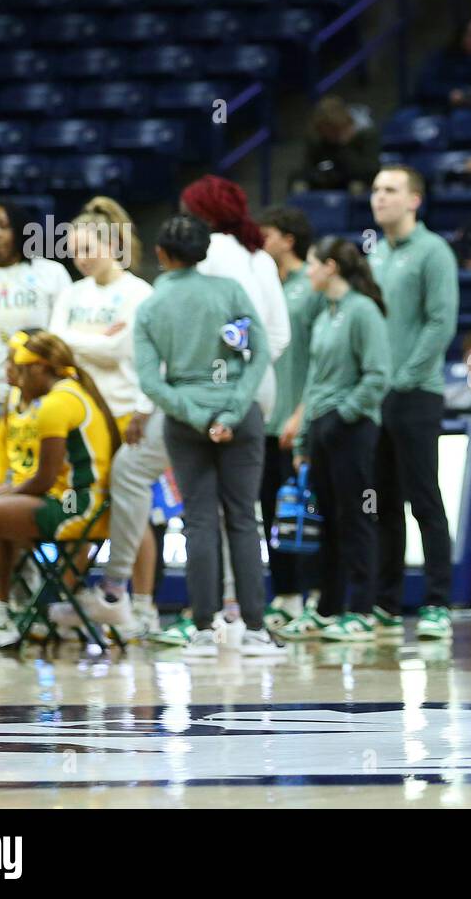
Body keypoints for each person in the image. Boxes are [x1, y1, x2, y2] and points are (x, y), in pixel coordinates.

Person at [134, 214, 279, 659]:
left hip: (185, 422)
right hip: (240, 416)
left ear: (160, 254)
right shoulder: (230, 292)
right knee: (242, 518)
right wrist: (230, 413)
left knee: (197, 520)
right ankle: (255, 628)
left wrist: (196, 417)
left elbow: (150, 382)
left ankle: (202, 629)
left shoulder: (151, 305)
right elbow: (259, 357)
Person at [0, 330, 118, 651]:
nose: (13, 376)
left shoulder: (58, 403)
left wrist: (4, 494)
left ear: (41, 369)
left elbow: (44, 478)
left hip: (76, 508)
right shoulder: (61, 394)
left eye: (20, 369)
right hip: (63, 500)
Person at [183, 175, 291, 625]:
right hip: (257, 395)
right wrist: (251, 374)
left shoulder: (203, 258)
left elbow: (194, 333)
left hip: (209, 397)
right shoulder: (261, 258)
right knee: (244, 513)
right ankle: (248, 617)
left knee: (203, 513)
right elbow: (278, 336)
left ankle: (208, 616)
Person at [47, 198, 157, 638]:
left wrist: (75, 341)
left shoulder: (139, 294)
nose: (80, 258)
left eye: (87, 248)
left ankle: (143, 606)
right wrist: (93, 339)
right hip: (81, 418)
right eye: (73, 250)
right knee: (83, 506)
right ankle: (72, 601)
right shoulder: (71, 293)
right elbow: (52, 346)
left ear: (112, 244)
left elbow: (120, 351)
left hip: (127, 416)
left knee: (132, 509)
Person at [367, 165, 459, 640]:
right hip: (376, 396)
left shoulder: (433, 252)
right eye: (376, 190)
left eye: (390, 190)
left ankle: (438, 602)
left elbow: (441, 323)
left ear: (414, 200)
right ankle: (385, 600)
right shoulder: (376, 255)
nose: (379, 198)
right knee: (380, 502)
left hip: (416, 394)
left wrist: (402, 378)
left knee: (424, 498)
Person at [287, 237, 390, 642]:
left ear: (330, 266)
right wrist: (304, 438)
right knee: (326, 520)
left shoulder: (363, 311)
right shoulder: (326, 312)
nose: (307, 272)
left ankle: (361, 608)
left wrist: (343, 416)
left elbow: (378, 374)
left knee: (356, 518)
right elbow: (314, 380)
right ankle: (327, 606)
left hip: (353, 429)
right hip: (323, 429)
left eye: (312, 264)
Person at [0, 199, 71, 469]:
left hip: (39, 395)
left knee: (36, 477)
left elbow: (63, 337)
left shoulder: (50, 273)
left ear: (20, 230)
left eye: (3, 226)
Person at [256, 205, 323, 632]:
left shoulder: (311, 286)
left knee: (305, 510)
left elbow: (322, 355)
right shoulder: (264, 285)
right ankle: (283, 594)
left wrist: (303, 410)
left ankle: (314, 594)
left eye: (268, 234)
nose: (261, 241)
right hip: (263, 418)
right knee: (269, 511)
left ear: (289, 239)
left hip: (300, 417)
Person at [287, 95, 380, 196]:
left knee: (357, 186)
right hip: (328, 181)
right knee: (297, 183)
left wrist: (344, 145)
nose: (327, 134)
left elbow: (370, 172)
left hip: (355, 180)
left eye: (331, 130)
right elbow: (307, 168)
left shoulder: (367, 136)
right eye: (323, 130)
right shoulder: (318, 140)